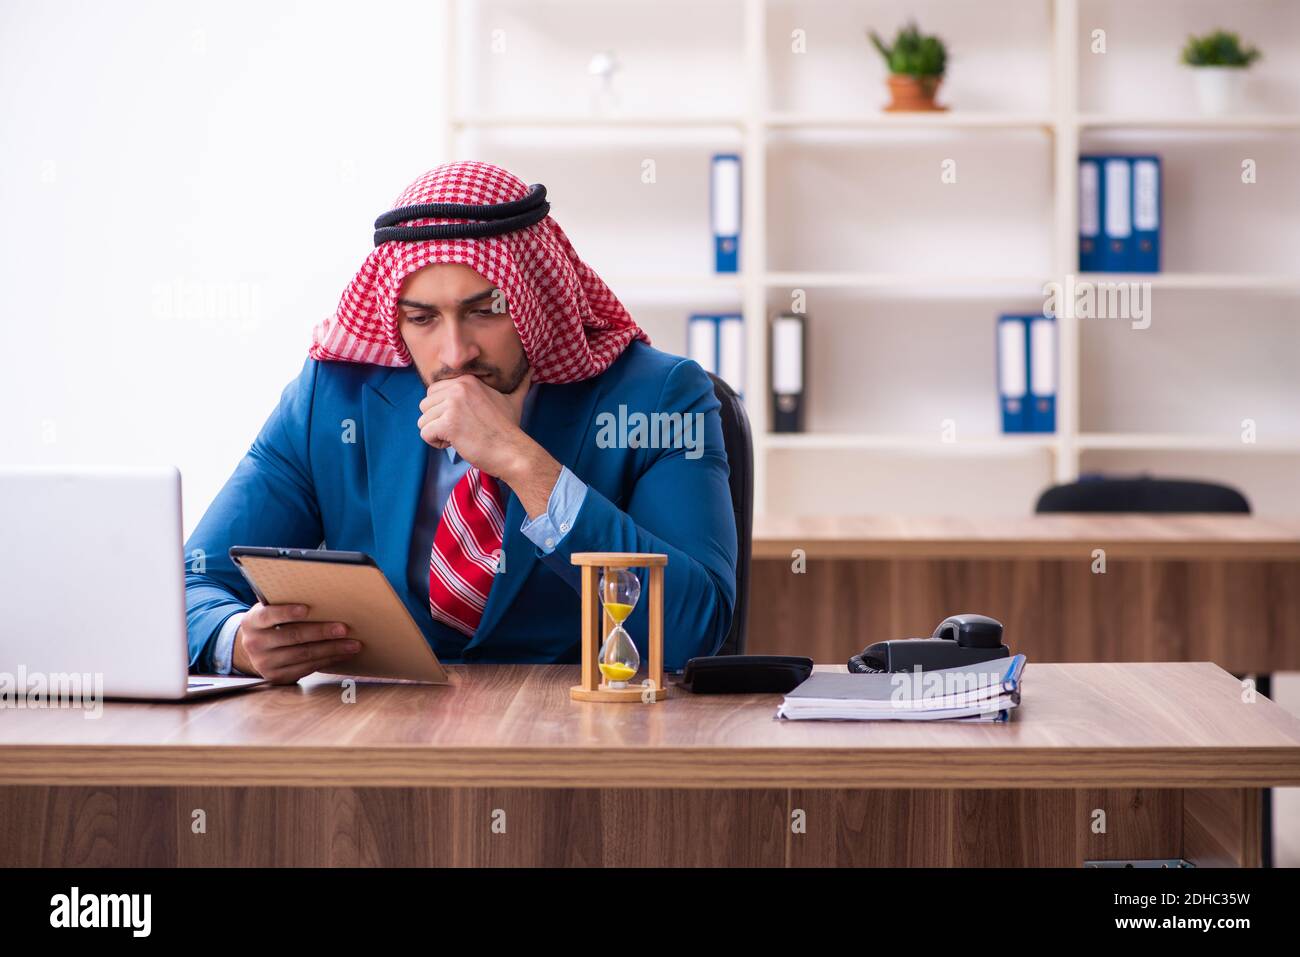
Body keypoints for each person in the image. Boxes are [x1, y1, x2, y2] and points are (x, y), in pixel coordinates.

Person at [183, 160, 738, 684]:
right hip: (380, 744)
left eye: (485, 310)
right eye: (422, 319)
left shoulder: (660, 398)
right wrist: (237, 639)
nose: (455, 352)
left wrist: (524, 463)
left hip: (582, 742)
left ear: (534, 299)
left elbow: (693, 630)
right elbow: (190, 583)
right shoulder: (333, 397)